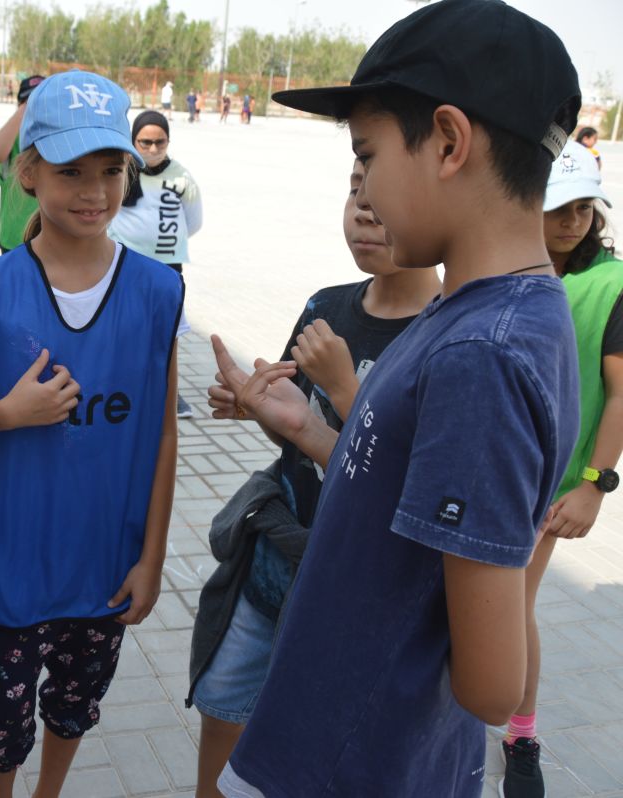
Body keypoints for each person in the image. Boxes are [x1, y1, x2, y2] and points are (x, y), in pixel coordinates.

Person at [209, 1, 582, 795]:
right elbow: (406, 488)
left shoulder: (484, 353)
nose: (366, 186)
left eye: (368, 154)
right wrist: (309, 427)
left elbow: (490, 686)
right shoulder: (481, 309)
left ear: (448, 142)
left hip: (346, 765)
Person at [0, 70, 187, 798]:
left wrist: (152, 556)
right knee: (6, 713)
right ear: (28, 172)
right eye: (71, 171)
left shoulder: (159, 292)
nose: (95, 190)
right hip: (20, 559)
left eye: (111, 169)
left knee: (75, 703)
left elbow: (162, 435)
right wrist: (6, 412)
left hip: (108, 560)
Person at [189, 157, 440, 797]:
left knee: (312, 738)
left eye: (379, 191)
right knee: (224, 700)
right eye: (354, 189)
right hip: (277, 549)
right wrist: (256, 405)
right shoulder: (326, 306)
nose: (362, 207)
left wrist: (347, 388)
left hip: (353, 577)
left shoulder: (443, 334)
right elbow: (297, 427)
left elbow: (415, 480)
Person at [499, 141, 621, 798]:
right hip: (490, 467)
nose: (572, 220)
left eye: (582, 207)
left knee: (512, 609)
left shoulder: (611, 286)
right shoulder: (506, 263)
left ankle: (521, 734)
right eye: (557, 207)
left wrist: (595, 486)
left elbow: (622, 393)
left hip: (550, 487)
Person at [108, 109, 203, 418]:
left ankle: (169, 393)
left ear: (168, 142)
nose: (151, 149)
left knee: (165, 333)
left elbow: (193, 221)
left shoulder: (181, 176)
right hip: (125, 268)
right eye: (144, 142)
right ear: (133, 141)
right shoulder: (120, 170)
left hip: (167, 269)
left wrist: (162, 244)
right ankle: (122, 388)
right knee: (123, 329)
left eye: (159, 143)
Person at [0, 74, 44, 254]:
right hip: (14, 239)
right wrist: (26, 108)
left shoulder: (54, 141)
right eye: (28, 103)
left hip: (49, 242)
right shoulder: (12, 140)